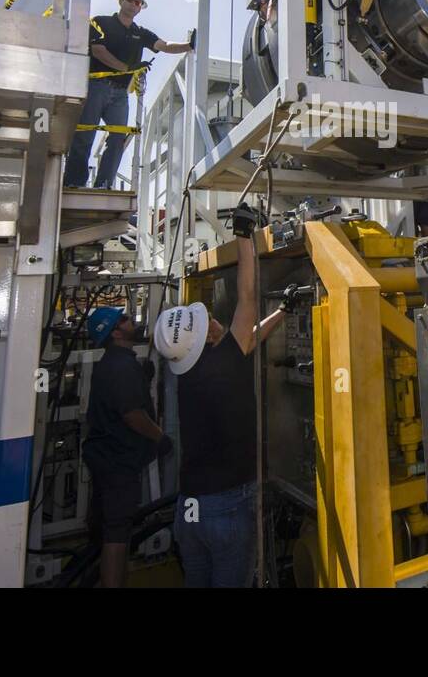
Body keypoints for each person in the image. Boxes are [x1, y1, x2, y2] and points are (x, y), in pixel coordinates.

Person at [154, 204, 288, 587]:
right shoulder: (222, 361)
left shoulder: (194, 374)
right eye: (205, 319)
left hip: (190, 511)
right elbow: (247, 298)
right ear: (203, 337)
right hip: (226, 508)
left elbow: (247, 338)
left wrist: (282, 311)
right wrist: (245, 236)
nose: (213, 318)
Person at [64, 0, 195, 189]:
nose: (133, 5)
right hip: (95, 86)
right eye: (130, 0)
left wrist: (189, 45)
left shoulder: (140, 33)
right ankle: (73, 182)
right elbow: (98, 51)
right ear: (121, 0)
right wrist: (128, 67)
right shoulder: (101, 22)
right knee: (85, 134)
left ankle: (104, 184)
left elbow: (164, 45)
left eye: (138, 2)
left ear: (141, 8)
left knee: (118, 138)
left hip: (120, 94)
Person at [82, 306, 172, 589]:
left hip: (107, 459)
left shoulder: (113, 363)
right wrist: (160, 437)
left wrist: (142, 379)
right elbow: (132, 414)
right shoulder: (122, 367)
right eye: (123, 319)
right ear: (116, 331)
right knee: (117, 536)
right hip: (117, 462)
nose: (130, 320)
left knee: (114, 529)